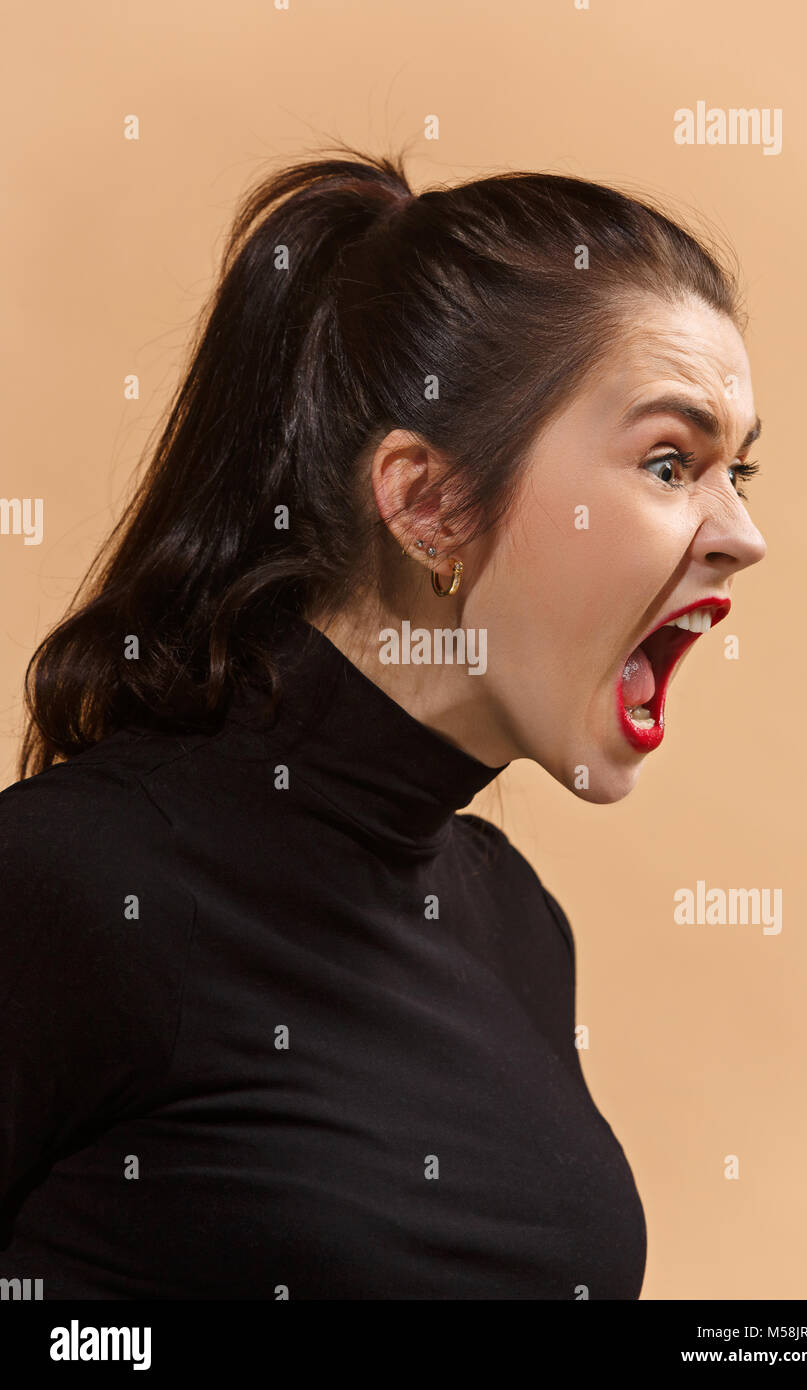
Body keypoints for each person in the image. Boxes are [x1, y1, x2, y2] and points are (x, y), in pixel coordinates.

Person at [0, 145, 765, 1299]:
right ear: (427, 502)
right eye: (669, 461)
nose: (738, 534)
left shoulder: (511, 921)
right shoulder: (65, 882)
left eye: (735, 472)